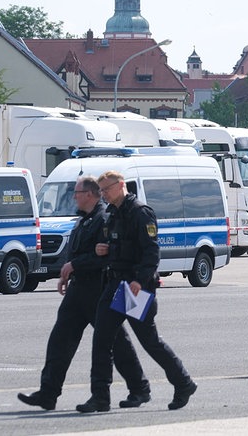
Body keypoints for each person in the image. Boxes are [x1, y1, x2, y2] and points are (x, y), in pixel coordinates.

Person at [18, 176, 151, 411]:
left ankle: (139, 389)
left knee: (116, 343)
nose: (73, 197)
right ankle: (48, 393)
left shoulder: (104, 218)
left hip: (100, 288)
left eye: (77, 193)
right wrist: (67, 273)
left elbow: (107, 256)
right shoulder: (83, 220)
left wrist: (75, 266)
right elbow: (76, 253)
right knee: (60, 340)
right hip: (79, 290)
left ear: (89, 194)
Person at [76, 171, 196, 413]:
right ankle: (100, 396)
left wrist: (140, 281)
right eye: (101, 191)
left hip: (134, 288)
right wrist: (105, 250)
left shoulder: (140, 212)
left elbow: (151, 253)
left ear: (121, 185)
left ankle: (183, 382)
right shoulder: (113, 213)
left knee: (149, 341)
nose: (104, 195)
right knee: (101, 339)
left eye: (107, 189)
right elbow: (120, 248)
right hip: (115, 286)